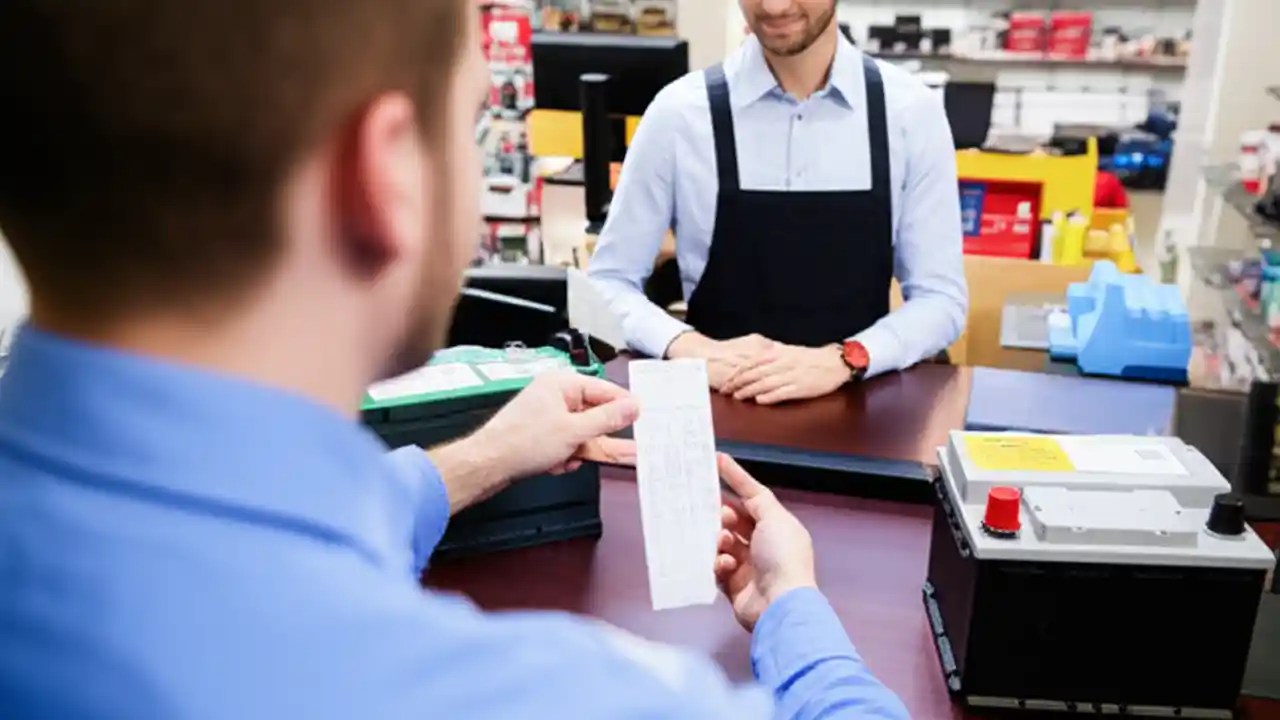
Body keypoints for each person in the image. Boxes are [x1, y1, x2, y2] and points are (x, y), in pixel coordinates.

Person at [0, 2, 909, 719]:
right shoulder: (567, 698)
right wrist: (793, 606)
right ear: (384, 175)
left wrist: (478, 458)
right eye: (471, 122)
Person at [588, 0, 968, 404]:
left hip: (863, 422)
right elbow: (608, 283)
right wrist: (691, 347)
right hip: (716, 416)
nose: (774, 6)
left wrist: (845, 358)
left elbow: (940, 299)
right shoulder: (679, 115)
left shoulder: (910, 113)